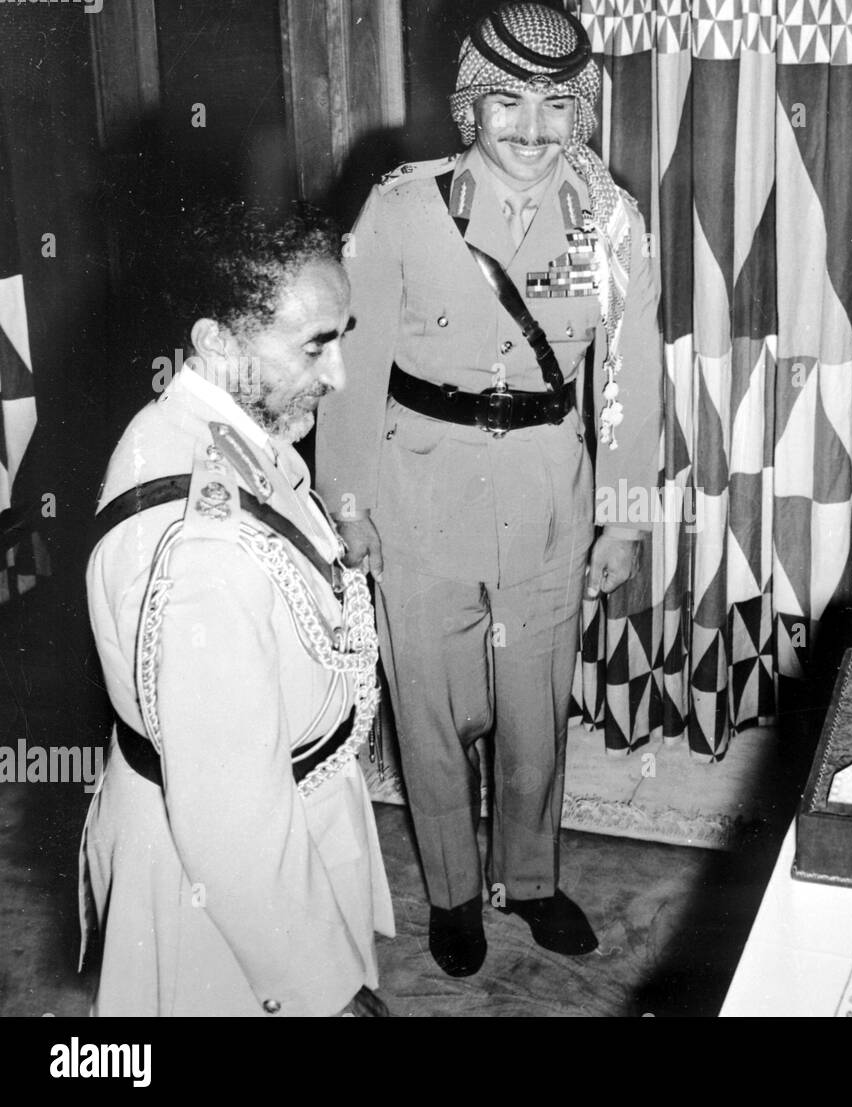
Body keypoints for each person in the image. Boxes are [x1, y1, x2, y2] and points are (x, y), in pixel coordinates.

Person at [314, 1, 662, 977]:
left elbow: (633, 381)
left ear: (581, 113)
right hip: (416, 490)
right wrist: (348, 505)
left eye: (557, 106)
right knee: (427, 709)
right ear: (468, 106)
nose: (532, 128)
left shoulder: (609, 219)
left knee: (533, 706)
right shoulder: (398, 207)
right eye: (506, 102)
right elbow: (351, 365)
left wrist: (625, 520)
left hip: (550, 492)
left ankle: (531, 879)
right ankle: (457, 895)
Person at [80, 202, 394, 1016]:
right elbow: (231, 821)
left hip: (280, 827)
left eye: (343, 336)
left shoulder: (211, 425)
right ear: (217, 342)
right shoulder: (205, 553)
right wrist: (324, 989)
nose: (339, 375)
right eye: (315, 345)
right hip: (228, 902)